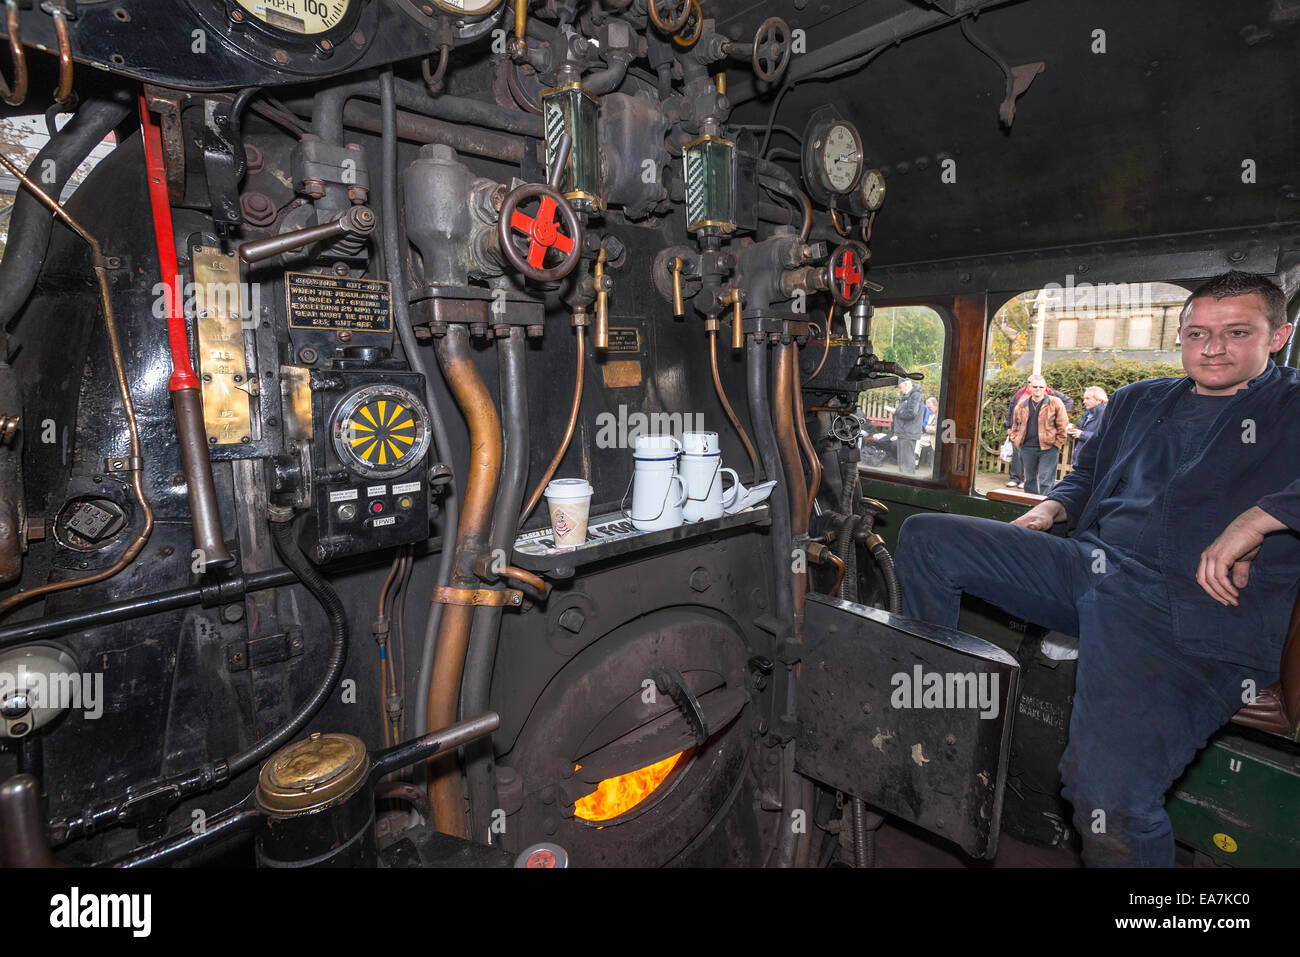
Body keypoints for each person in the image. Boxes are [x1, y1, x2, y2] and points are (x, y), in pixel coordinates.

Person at [894, 271, 1300, 867]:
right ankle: (936, 715)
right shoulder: (1139, 401)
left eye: (1236, 332)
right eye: (1196, 333)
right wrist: (1055, 505)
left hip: (1190, 609)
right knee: (928, 537)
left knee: (1107, 798)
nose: (1211, 348)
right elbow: (1087, 476)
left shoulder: (1292, 406)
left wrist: (1263, 517)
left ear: (1277, 336)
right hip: (1091, 565)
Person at [1004, 379, 1073, 488]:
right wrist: (1015, 438)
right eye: (1035, 387)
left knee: (1046, 481)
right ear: (1029, 388)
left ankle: (1042, 502)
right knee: (1029, 481)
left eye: (1041, 387)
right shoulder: (1021, 405)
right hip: (1027, 447)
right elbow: (1015, 425)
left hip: (1049, 447)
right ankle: (1031, 504)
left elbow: (1063, 424)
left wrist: (1057, 444)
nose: (1038, 389)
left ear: (1045, 387)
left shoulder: (1055, 402)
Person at [887, 378, 926, 475]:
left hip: (909, 432)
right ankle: (904, 480)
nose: (900, 390)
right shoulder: (908, 396)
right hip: (904, 432)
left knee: (907, 463)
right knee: (903, 462)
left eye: (900, 387)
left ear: (906, 384)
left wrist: (896, 411)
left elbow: (911, 413)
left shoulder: (915, 395)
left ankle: (908, 483)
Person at [1066, 386, 1108, 454]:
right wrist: (1072, 428)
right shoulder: (1089, 412)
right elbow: (1081, 430)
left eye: (1087, 398)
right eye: (1084, 398)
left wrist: (1082, 434)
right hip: (1082, 457)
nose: (1084, 401)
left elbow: (1105, 437)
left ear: (1099, 400)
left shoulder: (1106, 414)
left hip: (1093, 459)